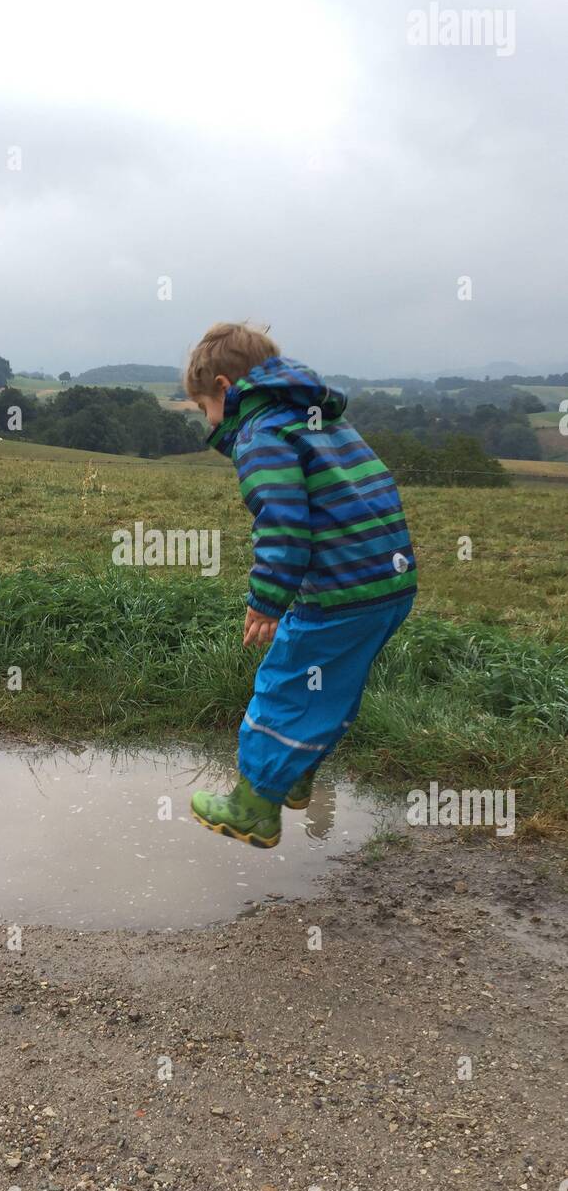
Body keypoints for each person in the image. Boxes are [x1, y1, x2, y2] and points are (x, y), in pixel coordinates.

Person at [186, 321, 416, 848]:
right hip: (389, 585)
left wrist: (267, 601)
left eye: (204, 408)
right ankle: (297, 773)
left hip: (340, 590)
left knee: (284, 682)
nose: (208, 422)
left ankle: (254, 805)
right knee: (329, 685)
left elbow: (285, 523)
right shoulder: (323, 420)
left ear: (225, 387)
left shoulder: (263, 433)